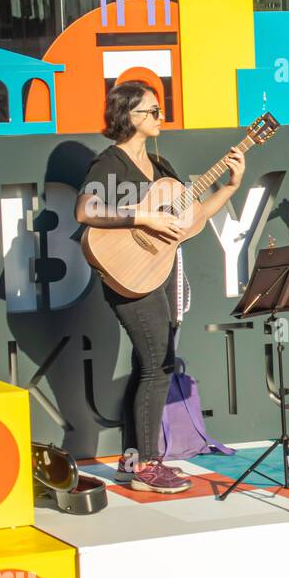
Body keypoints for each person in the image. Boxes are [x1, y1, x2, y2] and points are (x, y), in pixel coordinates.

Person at [75, 80, 245, 493]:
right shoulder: (111, 163)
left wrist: (230, 187)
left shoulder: (162, 165)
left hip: (159, 270)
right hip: (127, 275)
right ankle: (147, 465)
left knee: (148, 365)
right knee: (158, 365)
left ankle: (132, 461)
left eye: (159, 109)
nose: (159, 117)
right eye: (152, 111)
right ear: (128, 117)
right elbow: (85, 209)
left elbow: (193, 217)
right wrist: (142, 218)